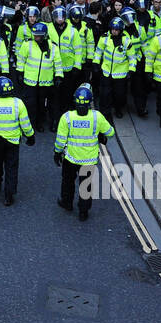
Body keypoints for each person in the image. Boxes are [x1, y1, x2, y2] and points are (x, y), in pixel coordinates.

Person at [54, 83, 115, 220]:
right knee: (85, 186)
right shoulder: (96, 117)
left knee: (67, 182)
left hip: (70, 158)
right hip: (89, 160)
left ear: (75, 100)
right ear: (90, 102)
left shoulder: (67, 118)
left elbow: (60, 141)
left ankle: (67, 203)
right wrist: (100, 134)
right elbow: (110, 133)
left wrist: (57, 153)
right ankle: (83, 212)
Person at [0, 75, 34, 205]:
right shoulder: (18, 103)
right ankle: (9, 195)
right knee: (11, 167)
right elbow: (25, 123)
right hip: (13, 141)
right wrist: (30, 136)